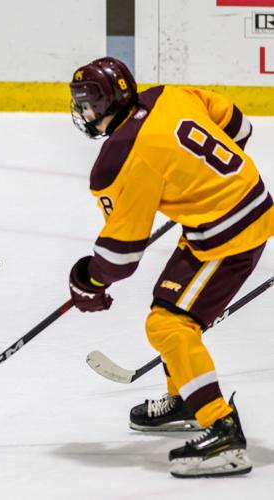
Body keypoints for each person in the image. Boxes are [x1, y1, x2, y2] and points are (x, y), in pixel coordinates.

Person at [67, 57, 270, 477]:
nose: (83, 113)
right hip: (237, 209)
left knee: (169, 325)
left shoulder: (119, 158)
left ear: (104, 105)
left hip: (228, 236)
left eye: (86, 105)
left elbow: (121, 255)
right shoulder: (168, 96)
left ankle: (222, 432)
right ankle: (184, 400)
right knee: (170, 301)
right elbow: (239, 128)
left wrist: (88, 280)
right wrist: (196, 182)